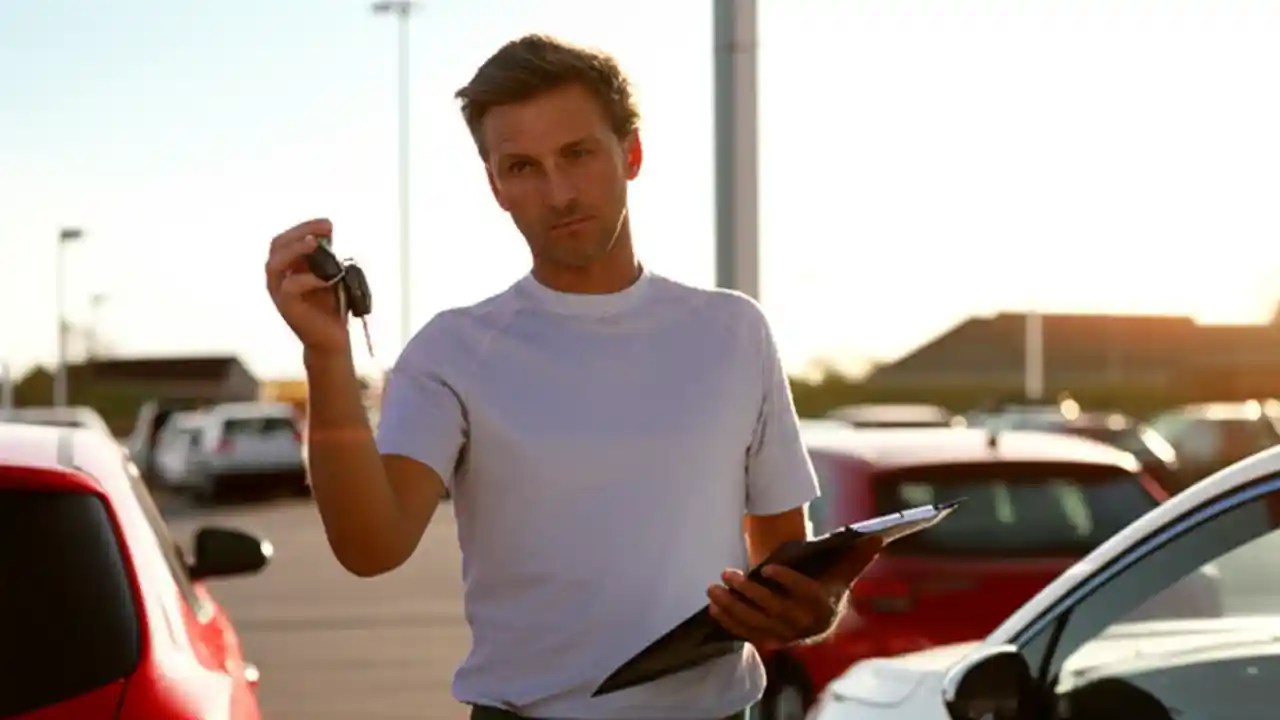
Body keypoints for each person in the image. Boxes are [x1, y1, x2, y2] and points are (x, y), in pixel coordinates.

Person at [264, 33, 879, 720]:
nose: (558, 193)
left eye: (578, 154)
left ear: (631, 153)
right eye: (523, 167)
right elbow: (370, 547)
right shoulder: (453, 350)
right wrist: (326, 355)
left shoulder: (733, 332)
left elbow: (785, 561)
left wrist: (814, 608)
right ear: (496, 185)